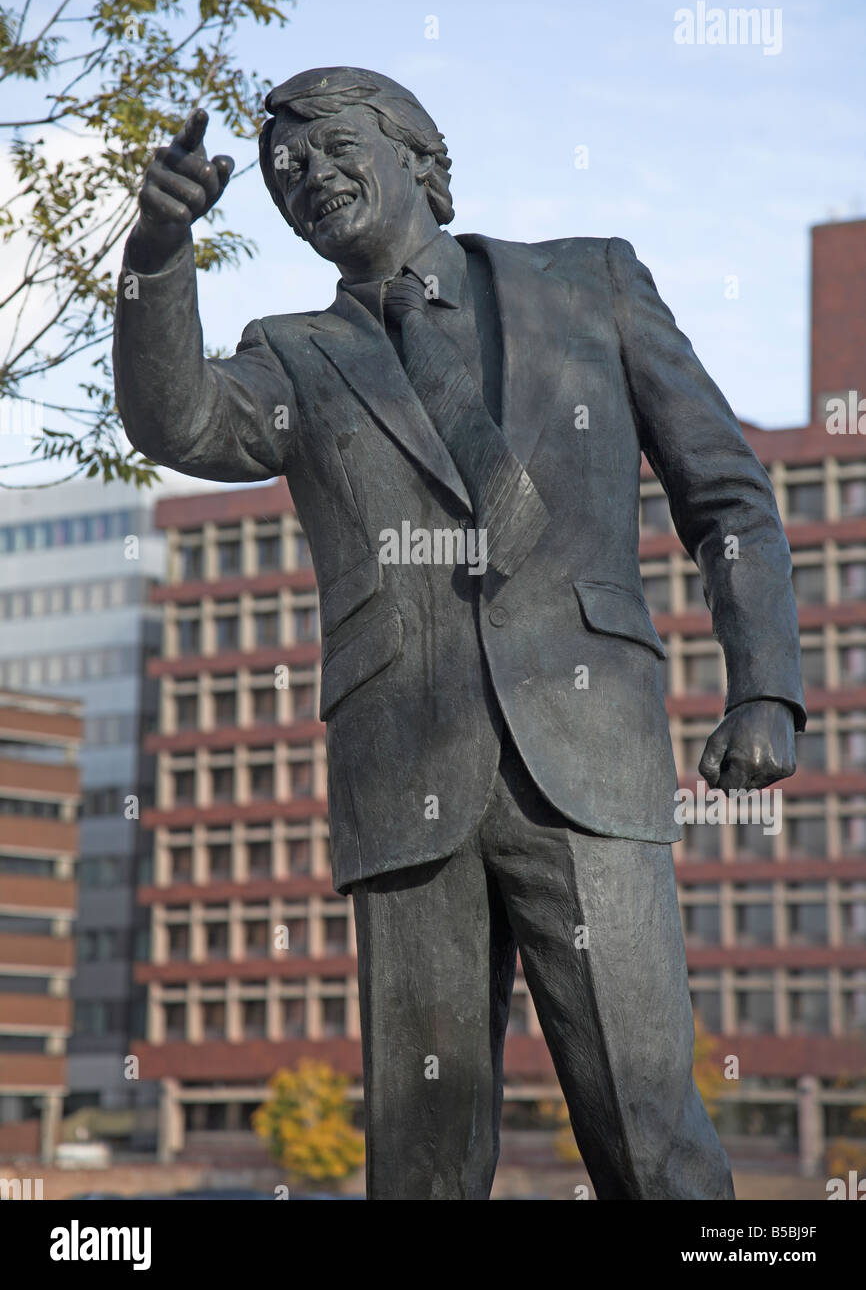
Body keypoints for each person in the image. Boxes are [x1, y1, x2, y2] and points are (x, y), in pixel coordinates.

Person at [113, 67, 805, 1200]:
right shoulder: (290, 353)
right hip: (403, 779)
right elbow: (179, 416)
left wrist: (763, 687)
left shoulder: (591, 284)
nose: (306, 178)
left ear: (416, 150)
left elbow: (725, 497)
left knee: (652, 1138)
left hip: (586, 763)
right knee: (421, 1163)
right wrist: (155, 254)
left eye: (331, 146)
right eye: (283, 173)